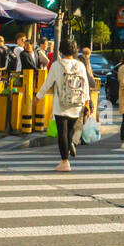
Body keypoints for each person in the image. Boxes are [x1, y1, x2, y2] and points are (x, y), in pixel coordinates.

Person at [34, 37, 90, 172]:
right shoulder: (80, 65)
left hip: (61, 104)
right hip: (77, 103)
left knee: (62, 133)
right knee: (70, 131)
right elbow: (85, 85)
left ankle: (65, 162)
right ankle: (69, 145)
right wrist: (87, 103)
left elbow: (48, 83)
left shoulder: (57, 65)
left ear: (61, 51)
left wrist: (38, 97)